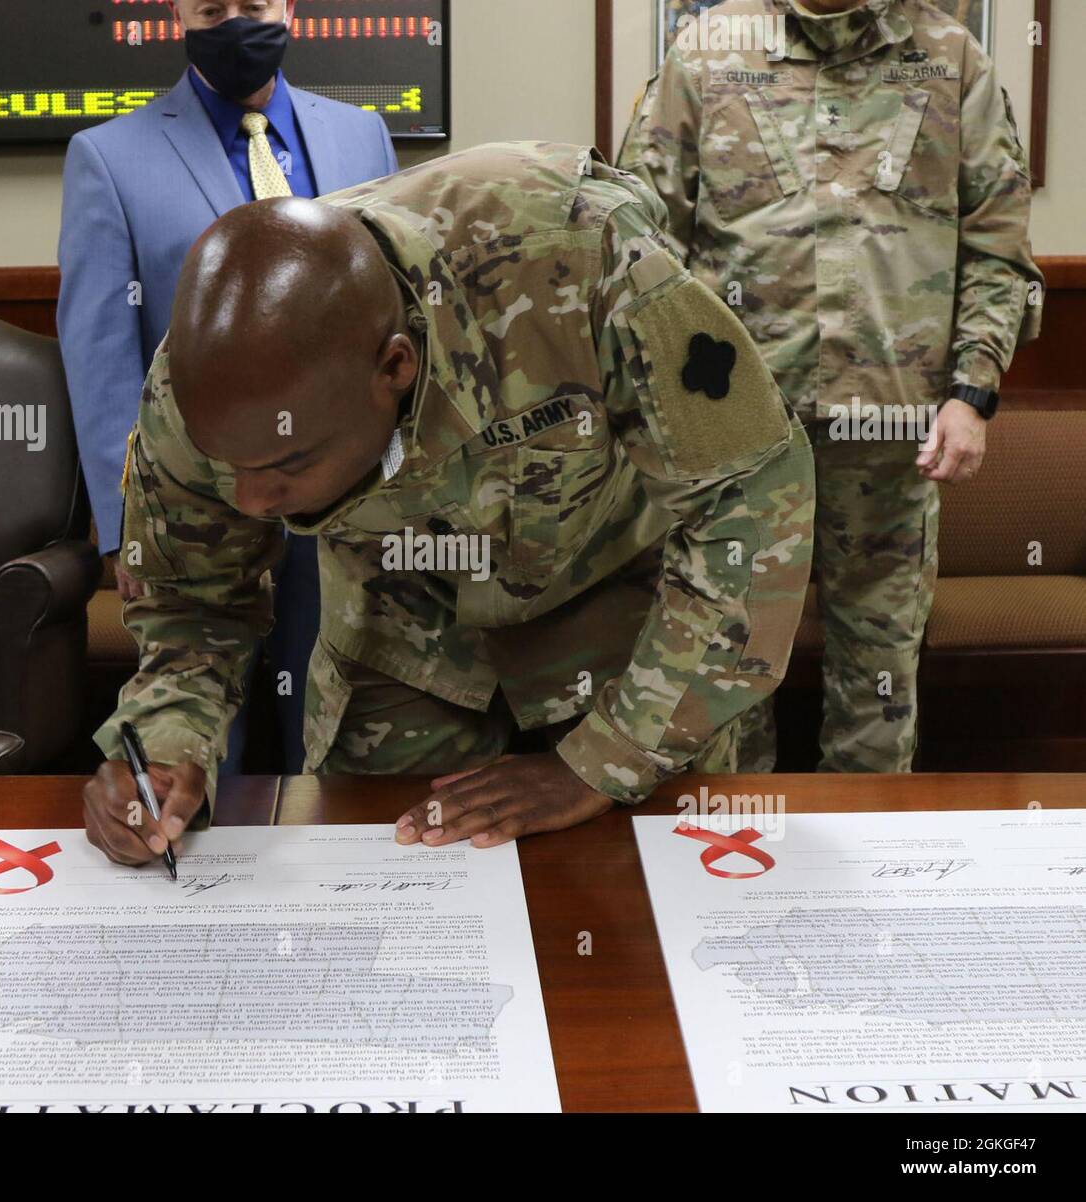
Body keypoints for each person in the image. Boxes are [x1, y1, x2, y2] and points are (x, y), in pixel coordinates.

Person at [81, 141, 816, 863]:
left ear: (394, 366)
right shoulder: (199, 387)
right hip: (401, 636)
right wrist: (164, 747)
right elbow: (191, 599)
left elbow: (749, 503)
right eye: (229, 467)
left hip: (622, 624)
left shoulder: (585, 253)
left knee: (644, 905)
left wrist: (601, 761)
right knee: (384, 904)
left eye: (287, 464)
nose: (252, 499)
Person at [618, 0, 1042, 771]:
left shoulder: (951, 59)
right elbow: (641, 240)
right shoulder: (708, 53)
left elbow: (998, 247)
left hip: (891, 439)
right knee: (723, 682)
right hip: (734, 436)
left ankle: (866, 876)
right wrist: (655, 408)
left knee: (876, 691)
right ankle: (731, 878)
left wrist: (971, 392)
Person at [58, 0, 396, 773]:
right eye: (214, 7)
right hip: (199, 511)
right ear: (180, 11)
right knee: (209, 742)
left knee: (340, 736)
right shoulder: (108, 156)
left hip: (349, 511)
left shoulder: (360, 136)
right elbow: (103, 353)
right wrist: (123, 526)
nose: (237, 20)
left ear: (287, 8)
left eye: (255, 5)